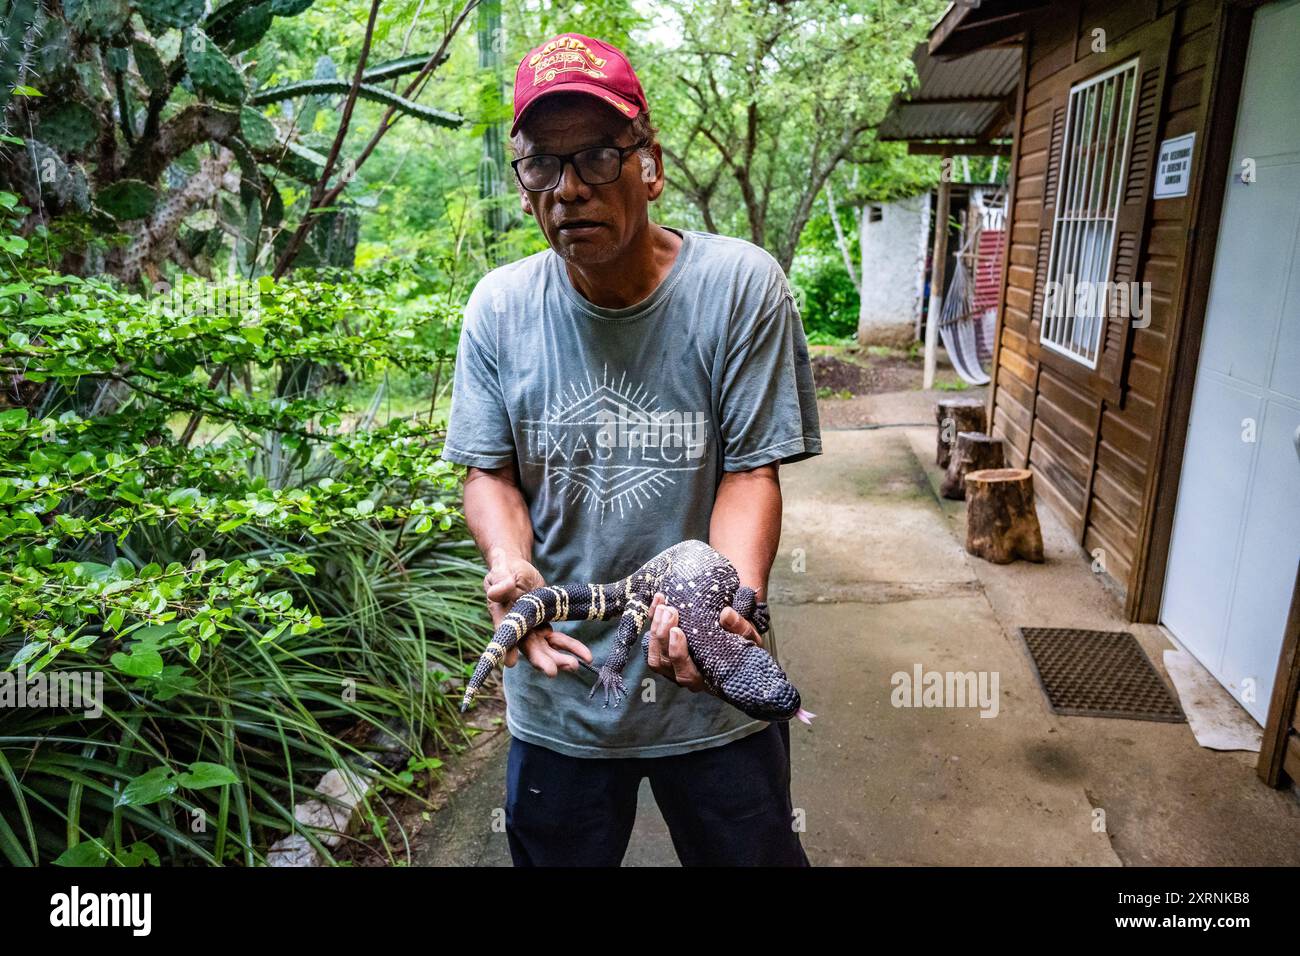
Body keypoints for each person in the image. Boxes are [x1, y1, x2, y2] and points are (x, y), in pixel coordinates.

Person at [441, 31, 821, 866]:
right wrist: (509, 561)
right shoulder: (499, 308)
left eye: (599, 158)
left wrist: (734, 618)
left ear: (650, 164)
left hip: (713, 695)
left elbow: (751, 469)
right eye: (543, 164)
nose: (569, 189)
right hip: (561, 690)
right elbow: (488, 472)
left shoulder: (740, 287)